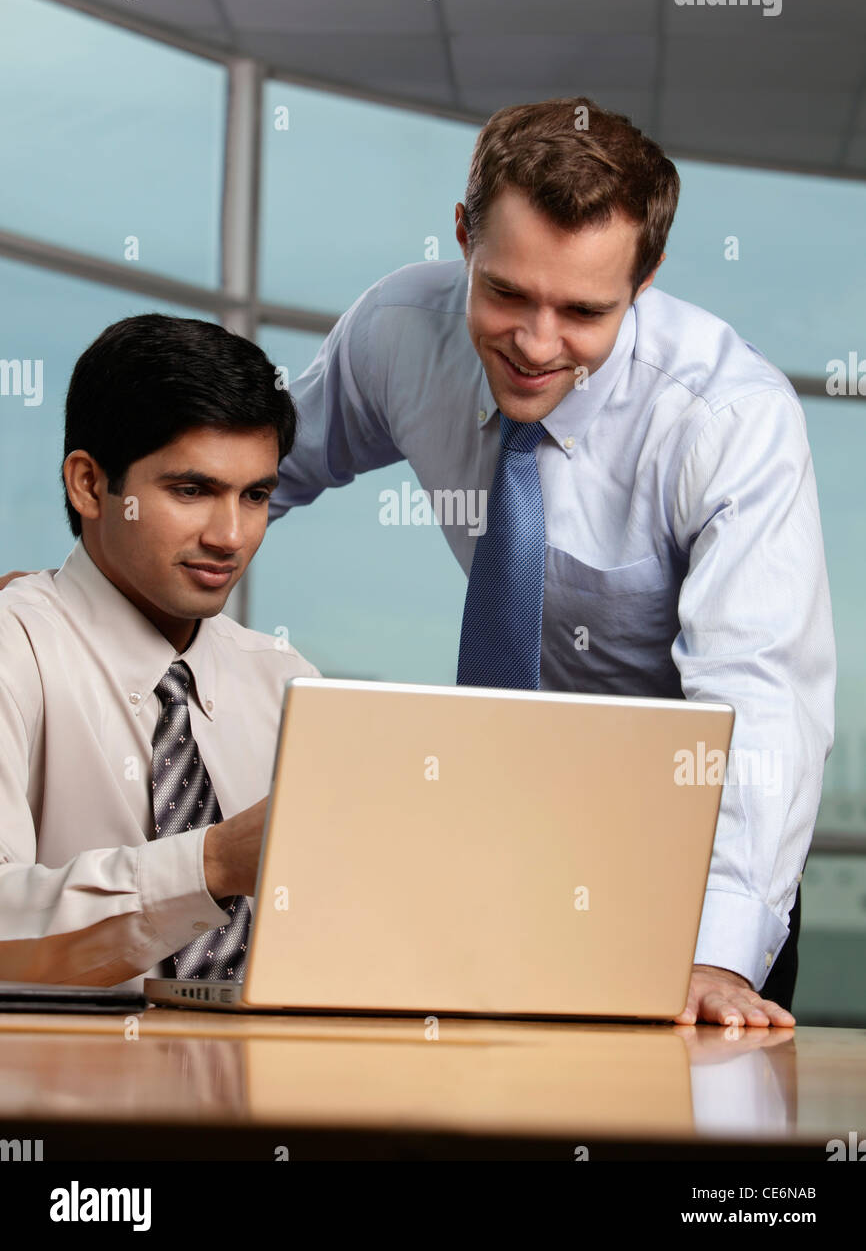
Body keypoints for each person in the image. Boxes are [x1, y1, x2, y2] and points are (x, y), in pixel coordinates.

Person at [265, 96, 836, 1027]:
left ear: (644, 278)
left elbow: (762, 698)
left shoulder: (728, 420)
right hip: (504, 820)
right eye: (506, 294)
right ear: (462, 237)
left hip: (690, 841)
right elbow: (251, 467)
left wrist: (714, 956)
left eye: (582, 311)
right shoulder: (400, 332)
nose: (535, 345)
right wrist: (82, 599)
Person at [0, 315, 319, 988]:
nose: (231, 536)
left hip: (280, 1078)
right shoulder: (15, 650)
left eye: (255, 495)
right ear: (89, 485)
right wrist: (213, 864)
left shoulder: (289, 683)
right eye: (192, 491)